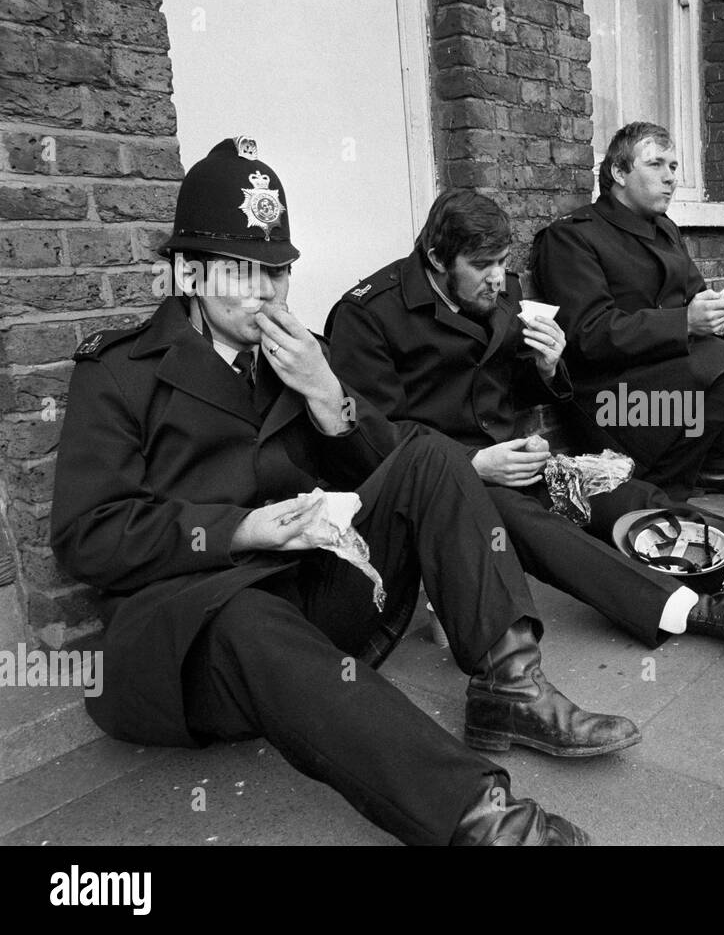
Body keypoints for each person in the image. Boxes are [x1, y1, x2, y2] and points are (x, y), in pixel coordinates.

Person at [49, 137, 642, 846]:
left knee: (428, 453)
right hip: (193, 629)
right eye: (242, 272)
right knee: (246, 618)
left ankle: (509, 686)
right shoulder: (120, 372)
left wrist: (332, 399)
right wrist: (240, 529)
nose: (266, 293)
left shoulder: (297, 355)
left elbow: (390, 469)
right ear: (188, 273)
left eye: (278, 272)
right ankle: (483, 821)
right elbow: (88, 535)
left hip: (304, 598)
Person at [327, 190, 724, 650]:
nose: (500, 281)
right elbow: (371, 440)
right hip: (442, 482)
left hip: (513, 458)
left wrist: (548, 367)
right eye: (483, 268)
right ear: (434, 260)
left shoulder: (499, 294)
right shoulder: (368, 316)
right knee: (540, 527)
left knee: (624, 494)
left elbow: (507, 384)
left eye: (503, 263)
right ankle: (696, 608)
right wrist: (473, 461)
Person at [530, 121, 724, 500]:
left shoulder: (664, 228)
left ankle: (715, 468)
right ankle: (660, 486)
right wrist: (684, 322)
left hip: (663, 370)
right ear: (619, 172)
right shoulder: (571, 236)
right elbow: (588, 334)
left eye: (674, 167)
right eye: (656, 165)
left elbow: (695, 292)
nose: (670, 178)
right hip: (610, 395)